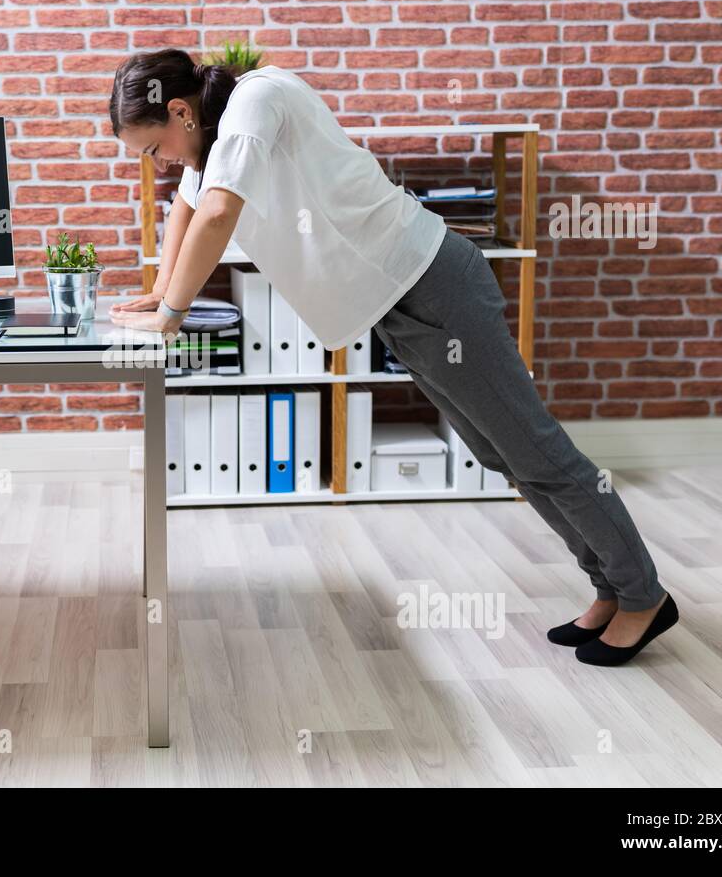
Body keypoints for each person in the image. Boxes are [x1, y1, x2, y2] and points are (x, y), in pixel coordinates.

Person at [106, 49, 679, 666]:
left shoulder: (254, 101)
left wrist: (172, 317)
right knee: (501, 452)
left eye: (153, 146)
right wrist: (162, 294)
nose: (159, 161)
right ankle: (610, 587)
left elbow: (218, 213)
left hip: (436, 288)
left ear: (181, 111)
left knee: (533, 446)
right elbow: (188, 207)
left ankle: (643, 595)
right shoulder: (215, 138)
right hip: (401, 304)